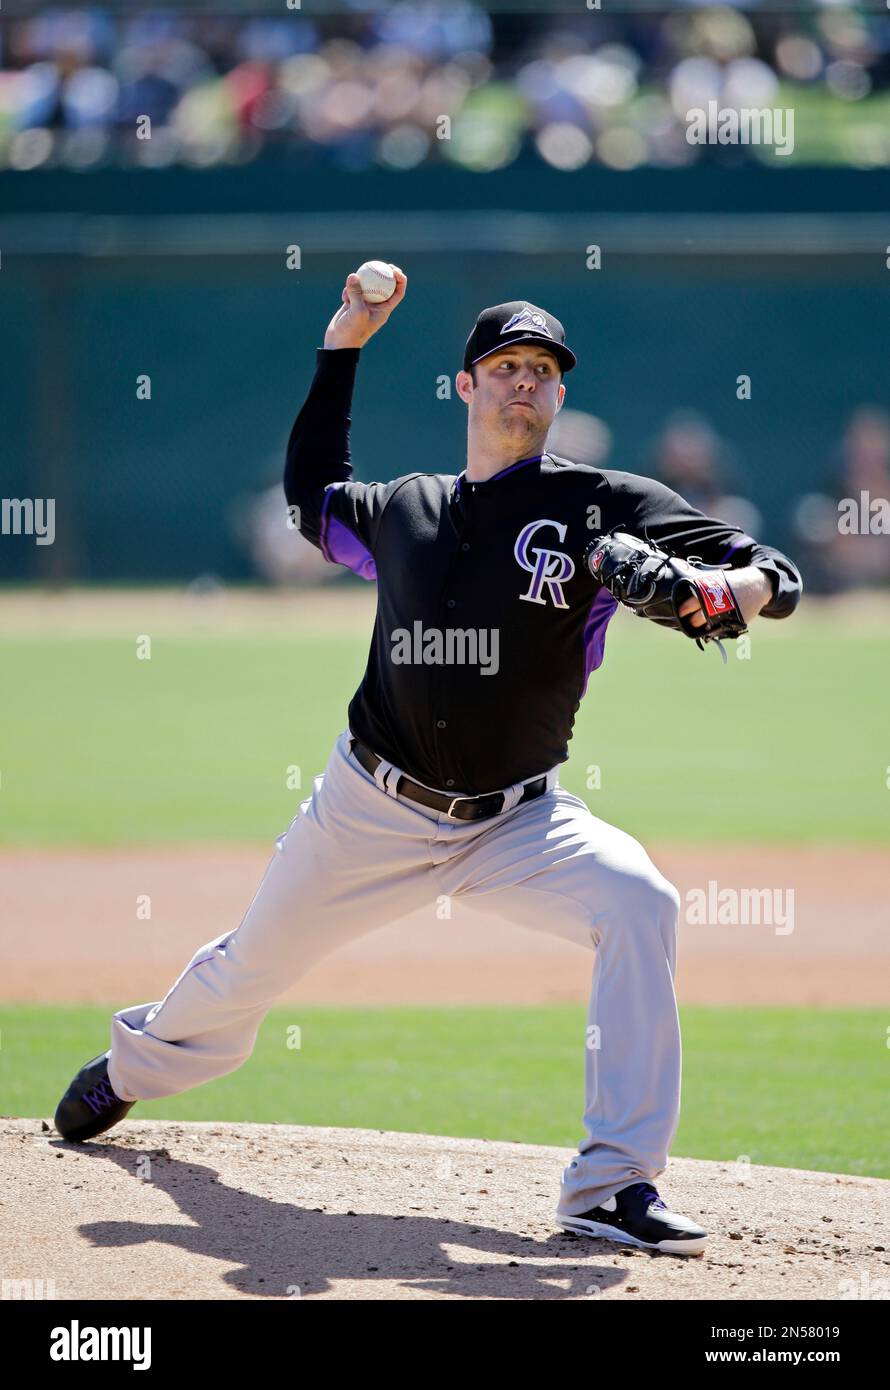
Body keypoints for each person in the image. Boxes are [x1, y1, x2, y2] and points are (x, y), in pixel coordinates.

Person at [55, 272, 803, 1257]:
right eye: (504, 368)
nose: (523, 385)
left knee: (641, 901)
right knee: (246, 968)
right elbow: (308, 499)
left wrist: (714, 589)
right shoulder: (406, 508)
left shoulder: (604, 505)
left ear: (558, 395)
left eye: (541, 371)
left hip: (517, 821)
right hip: (368, 806)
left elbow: (777, 578)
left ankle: (612, 1182)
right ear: (465, 388)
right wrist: (342, 345)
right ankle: (130, 1068)